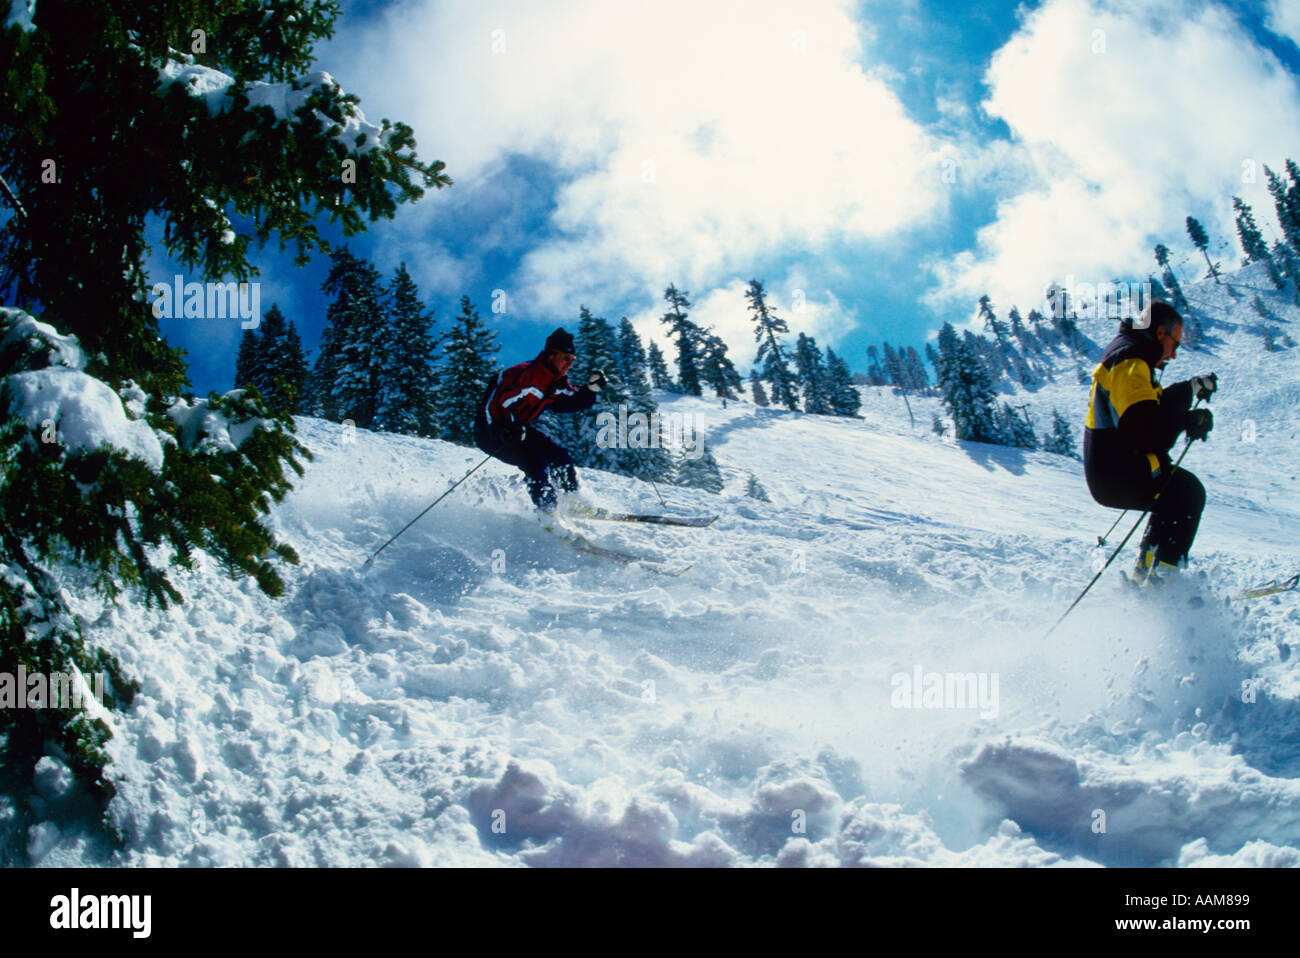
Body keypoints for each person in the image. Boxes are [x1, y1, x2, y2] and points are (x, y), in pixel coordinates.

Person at [1084, 301, 1217, 580]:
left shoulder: (1132, 357)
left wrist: (1190, 389)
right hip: (1117, 473)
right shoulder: (1130, 362)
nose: (1174, 355)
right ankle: (1164, 587)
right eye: (1175, 345)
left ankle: (1146, 576)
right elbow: (1145, 432)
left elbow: (1152, 408)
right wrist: (1187, 421)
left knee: (1174, 493)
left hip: (1116, 470)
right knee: (1186, 493)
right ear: (1159, 333)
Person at [475, 328, 607, 512]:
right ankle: (548, 511)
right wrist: (503, 428)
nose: (569, 364)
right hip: (492, 432)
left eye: (573, 359)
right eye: (566, 358)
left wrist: (590, 390)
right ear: (552, 355)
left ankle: (572, 500)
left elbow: (567, 402)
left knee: (559, 454)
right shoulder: (524, 374)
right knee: (535, 461)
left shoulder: (556, 382)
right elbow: (495, 403)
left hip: (518, 430)